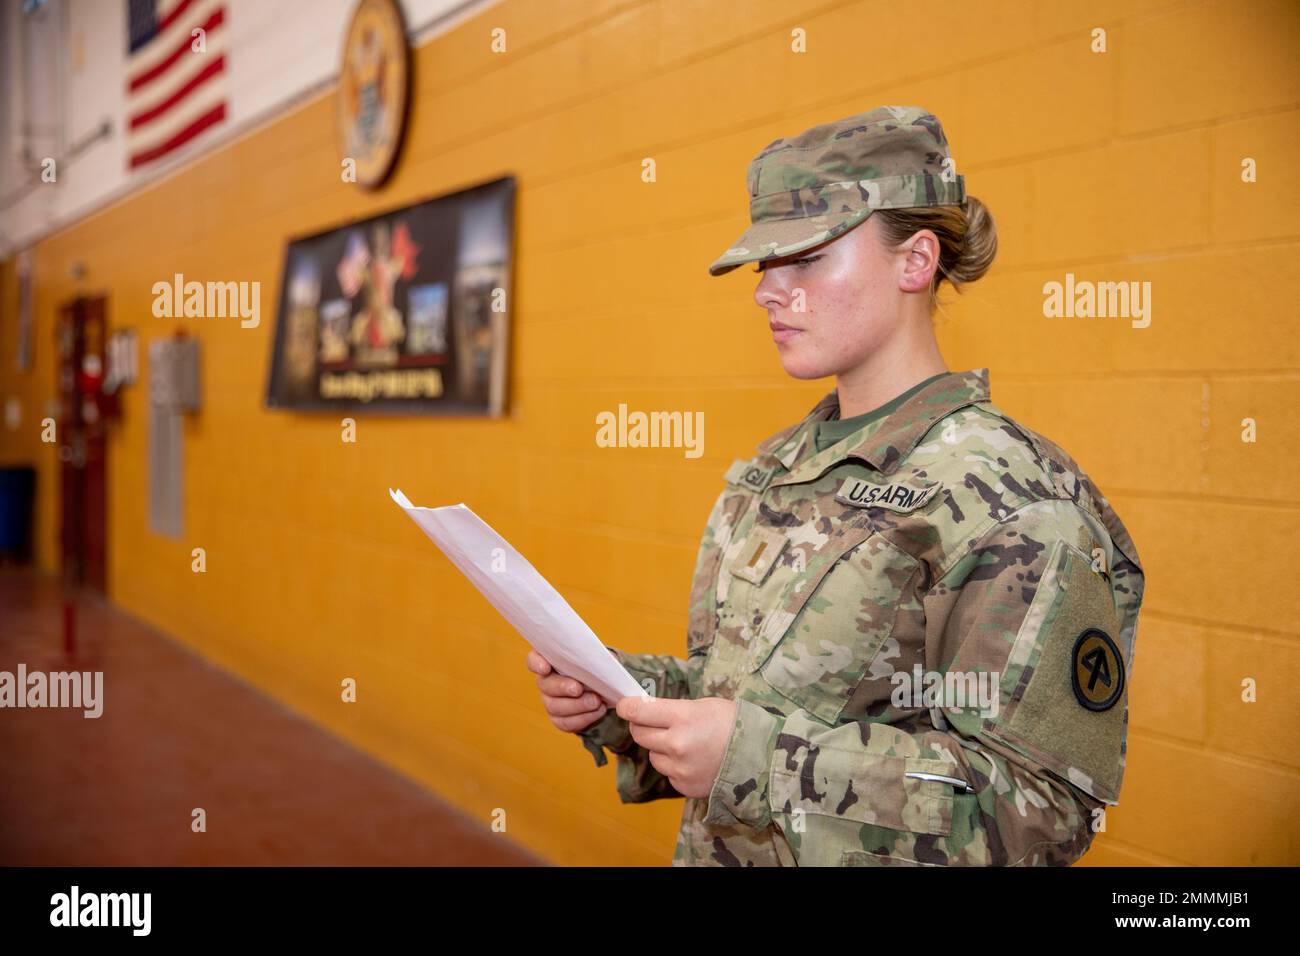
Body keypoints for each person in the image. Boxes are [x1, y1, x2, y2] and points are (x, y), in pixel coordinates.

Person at [526, 105, 1145, 866]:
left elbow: (1037, 813)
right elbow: (745, 696)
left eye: (807, 258)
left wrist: (757, 760)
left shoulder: (1012, 497)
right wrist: (625, 697)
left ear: (915, 262)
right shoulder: (778, 468)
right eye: (764, 265)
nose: (766, 291)